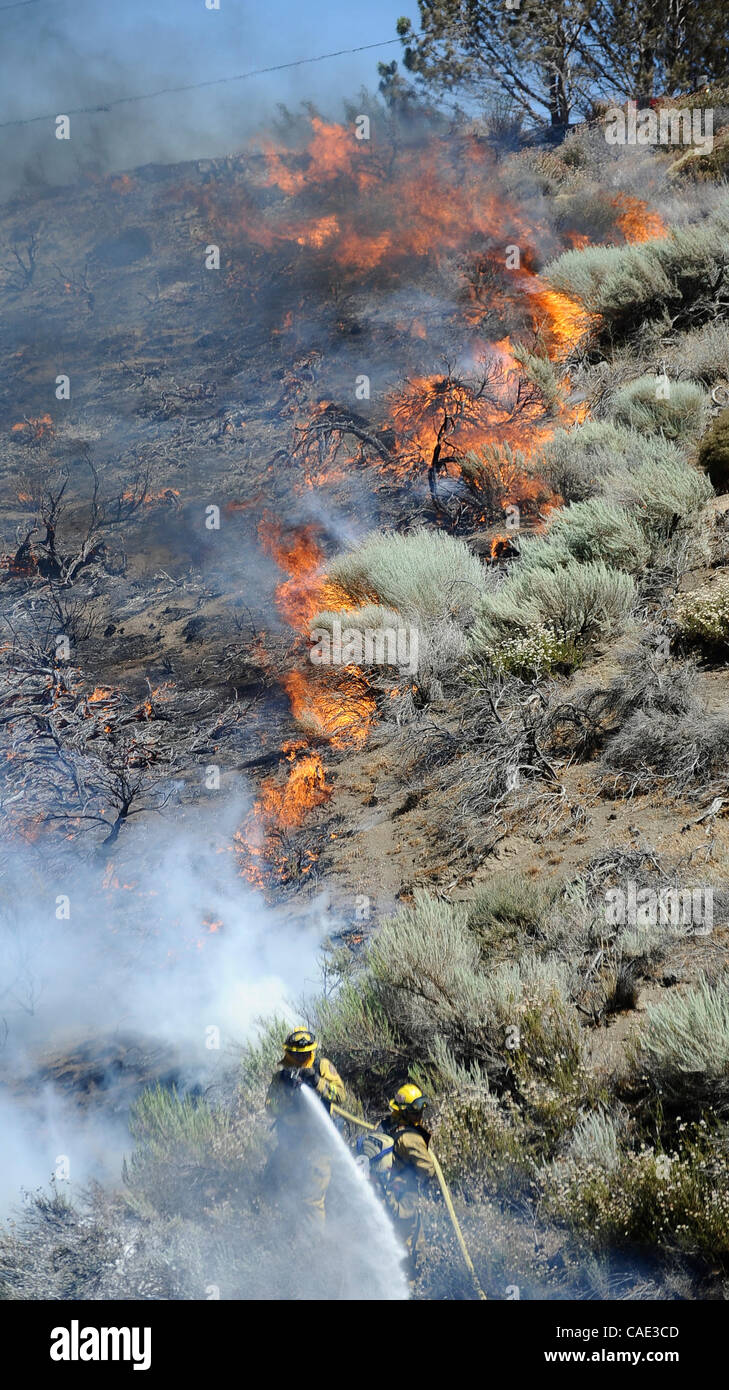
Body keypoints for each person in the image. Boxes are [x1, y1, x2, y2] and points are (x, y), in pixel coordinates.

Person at [264, 1027, 345, 1228]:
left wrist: (317, 1082)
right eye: (296, 1054)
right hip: (290, 1144)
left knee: (311, 1199)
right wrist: (288, 1096)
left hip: (318, 1145)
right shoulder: (281, 1077)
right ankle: (282, 1236)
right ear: (288, 1052)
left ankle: (315, 1248)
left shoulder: (322, 1067)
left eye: (304, 1054)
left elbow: (341, 1096)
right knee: (276, 1188)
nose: (300, 1058)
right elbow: (270, 1107)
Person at [364, 1083, 436, 1279]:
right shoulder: (411, 1139)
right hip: (404, 1202)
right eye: (415, 1111)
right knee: (411, 1249)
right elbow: (428, 1170)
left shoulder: (384, 1125)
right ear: (404, 1112)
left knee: (386, 1245)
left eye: (421, 1108)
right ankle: (409, 1286)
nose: (419, 1115)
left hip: (383, 1196)